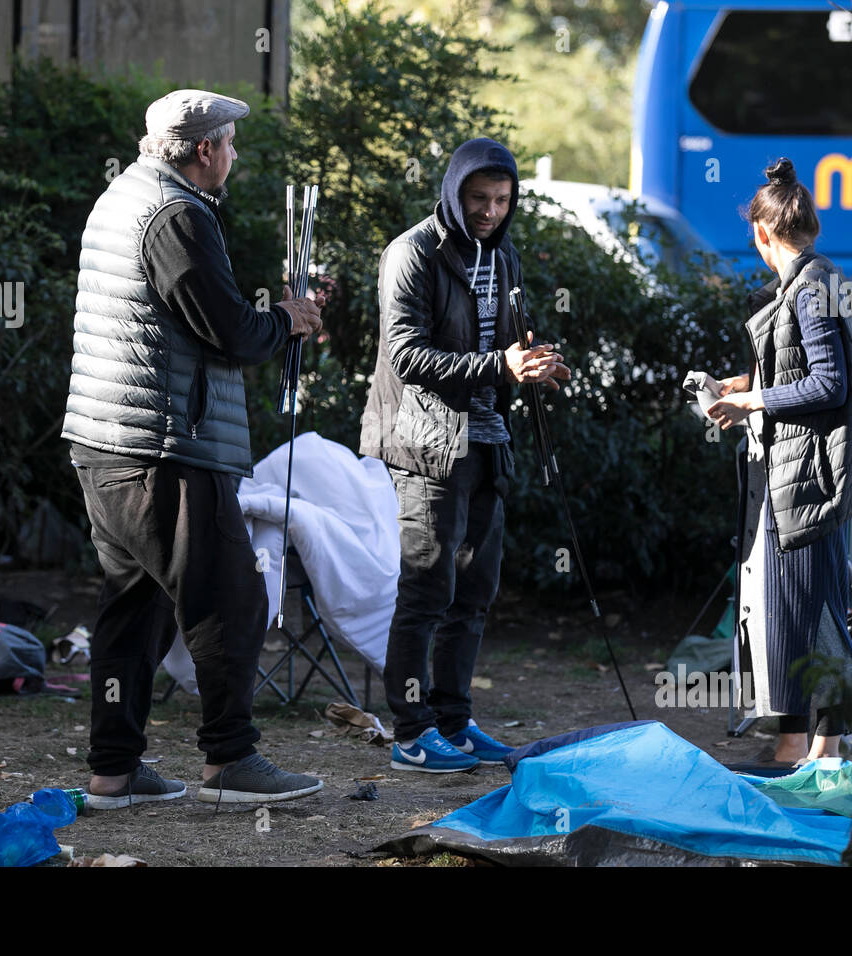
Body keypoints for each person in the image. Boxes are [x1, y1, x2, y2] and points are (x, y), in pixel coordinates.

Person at [61, 89, 324, 808]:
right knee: (231, 599)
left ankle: (114, 773)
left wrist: (278, 316)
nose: (234, 155)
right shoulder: (176, 214)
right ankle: (230, 760)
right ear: (204, 149)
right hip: (165, 448)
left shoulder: (125, 195)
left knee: (134, 607)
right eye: (230, 144)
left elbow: (199, 316)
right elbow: (230, 332)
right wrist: (286, 321)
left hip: (108, 443)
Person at [359, 138, 570, 773]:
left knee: (475, 592)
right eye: (478, 198)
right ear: (454, 192)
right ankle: (411, 732)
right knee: (427, 588)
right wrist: (497, 365)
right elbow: (406, 355)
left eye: (502, 200)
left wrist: (534, 363)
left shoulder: (503, 256)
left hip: (488, 441)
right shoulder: (413, 252)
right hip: (425, 443)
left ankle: (454, 721)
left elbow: (510, 341)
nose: (489, 210)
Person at [706, 157, 852, 767]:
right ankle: (793, 745)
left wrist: (752, 399)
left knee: (821, 609)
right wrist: (745, 382)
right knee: (794, 613)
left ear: (760, 233)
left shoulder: (813, 285)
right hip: (797, 472)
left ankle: (826, 753)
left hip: (818, 480)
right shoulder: (802, 282)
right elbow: (801, 372)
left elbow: (827, 384)